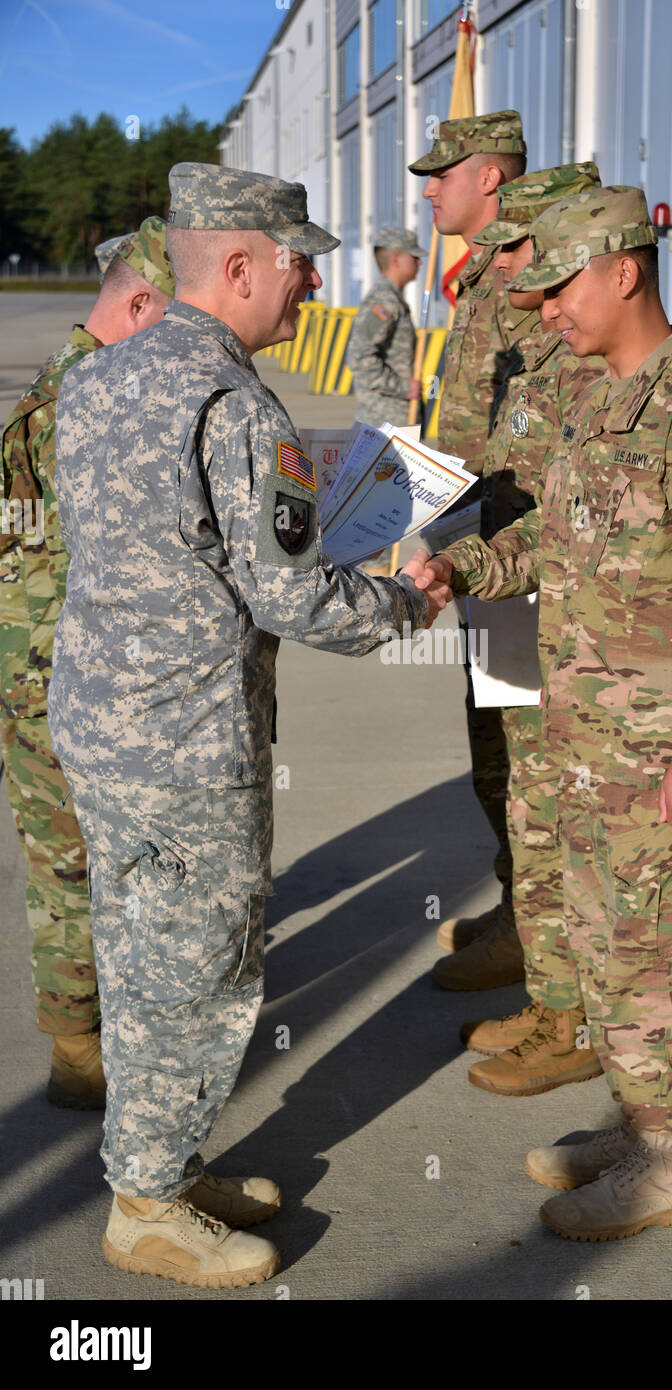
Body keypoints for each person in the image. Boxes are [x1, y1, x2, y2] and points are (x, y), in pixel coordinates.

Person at [47, 163, 440, 1288]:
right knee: (198, 973)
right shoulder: (234, 403)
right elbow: (293, 594)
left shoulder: (99, 379)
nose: (312, 282)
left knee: (135, 956)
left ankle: (154, 1162)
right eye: (296, 261)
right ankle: (148, 1205)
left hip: (101, 723)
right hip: (186, 743)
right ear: (237, 266)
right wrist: (410, 598)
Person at [408, 186, 672, 1241]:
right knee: (606, 949)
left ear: (625, 270)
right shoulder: (591, 401)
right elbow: (548, 541)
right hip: (582, 742)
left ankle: (670, 1163)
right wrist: (464, 564)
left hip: (662, 751)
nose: (549, 310)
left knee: (658, 957)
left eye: (561, 285)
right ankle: (634, 1122)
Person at [0, 217, 174, 1109]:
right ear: (138, 303)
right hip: (54, 673)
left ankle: (90, 1033)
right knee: (77, 865)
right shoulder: (90, 396)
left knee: (76, 864)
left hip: (44, 660)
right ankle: (79, 1052)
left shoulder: (74, 380)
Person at [431, 165, 604, 1028]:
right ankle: (528, 936)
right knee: (503, 772)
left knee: (544, 794)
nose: (502, 268)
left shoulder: (572, 356)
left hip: (534, 585)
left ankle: (559, 989)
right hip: (494, 564)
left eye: (517, 251)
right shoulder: (525, 336)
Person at [409, 110, 531, 985]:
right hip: (476, 536)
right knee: (492, 738)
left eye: (441, 175)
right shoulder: (484, 272)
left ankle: (540, 938)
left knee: (520, 745)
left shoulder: (528, 270)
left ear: (487, 177)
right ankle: (522, 906)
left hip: (517, 543)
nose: (427, 191)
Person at [346, 225, 425, 427]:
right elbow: (359, 357)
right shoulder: (384, 301)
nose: (419, 261)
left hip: (395, 420)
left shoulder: (393, 298)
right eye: (413, 256)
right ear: (396, 259)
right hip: (384, 422)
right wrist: (402, 387)